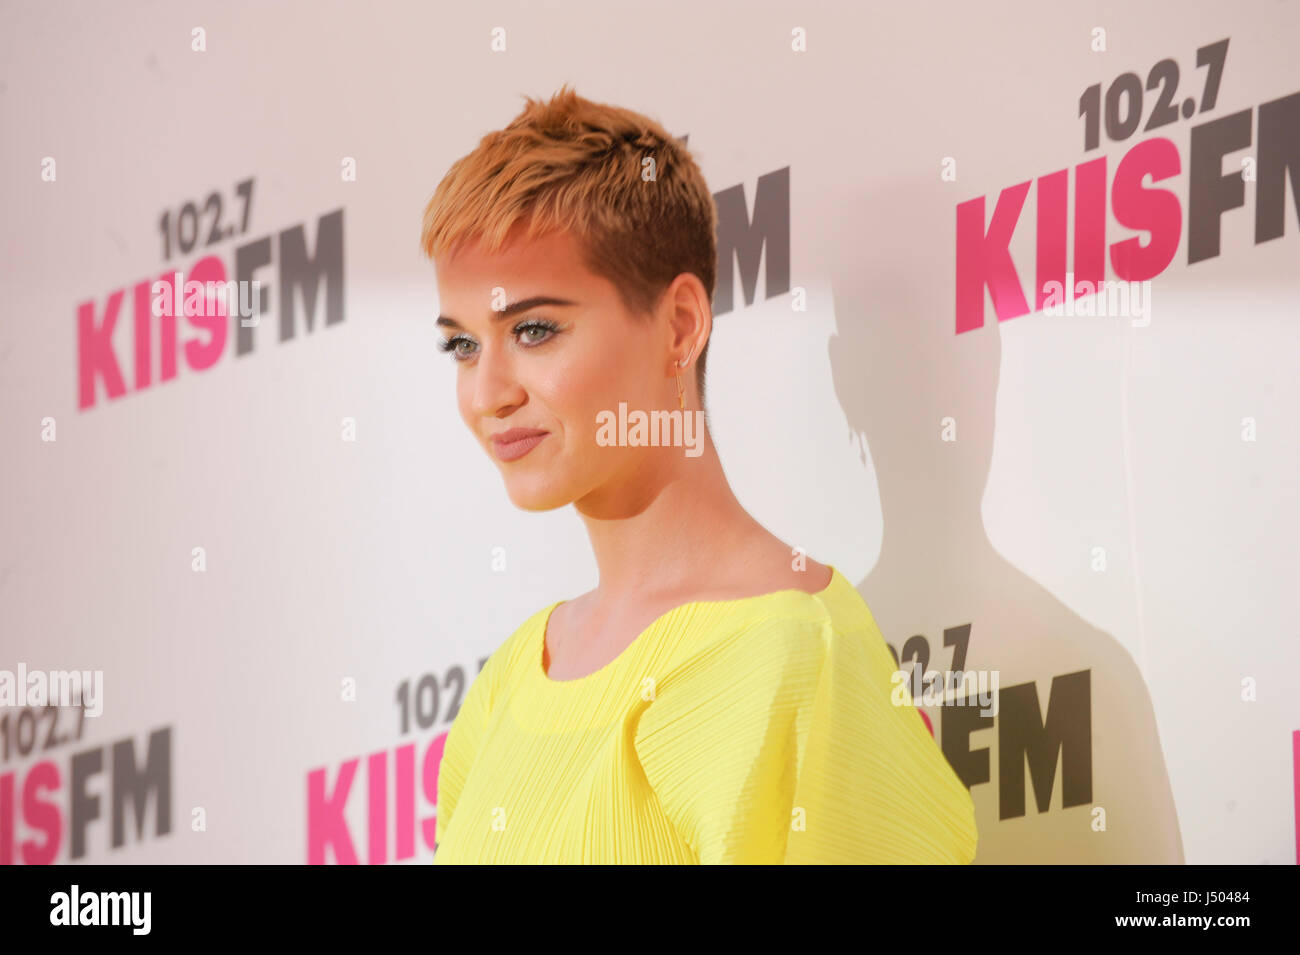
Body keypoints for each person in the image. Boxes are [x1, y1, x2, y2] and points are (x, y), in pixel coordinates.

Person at [421, 84, 977, 863]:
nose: (488, 393)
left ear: (680, 325)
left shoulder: (795, 651)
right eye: (463, 345)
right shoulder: (513, 679)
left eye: (536, 329)